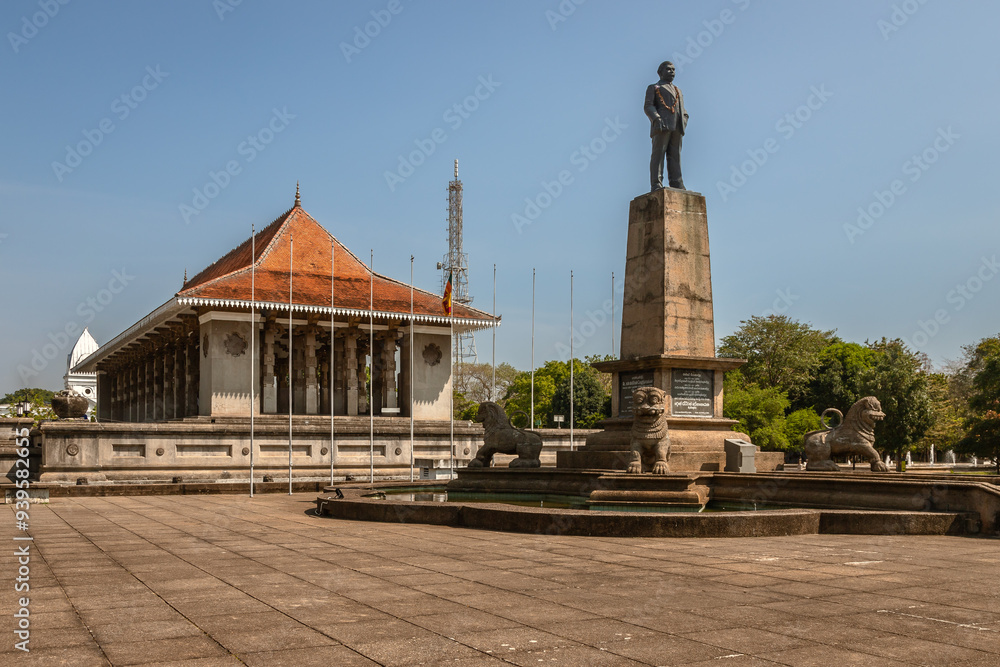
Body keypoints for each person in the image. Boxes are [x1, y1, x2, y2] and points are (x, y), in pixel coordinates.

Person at [644, 61, 689, 191]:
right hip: (662, 125)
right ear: (660, 72)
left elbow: (682, 108)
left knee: (675, 155)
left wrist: (685, 119)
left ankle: (677, 183)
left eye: (673, 70)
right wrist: (656, 118)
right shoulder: (654, 87)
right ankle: (656, 183)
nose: (672, 72)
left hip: (677, 126)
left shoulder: (677, 90)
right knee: (658, 154)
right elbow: (648, 106)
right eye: (668, 69)